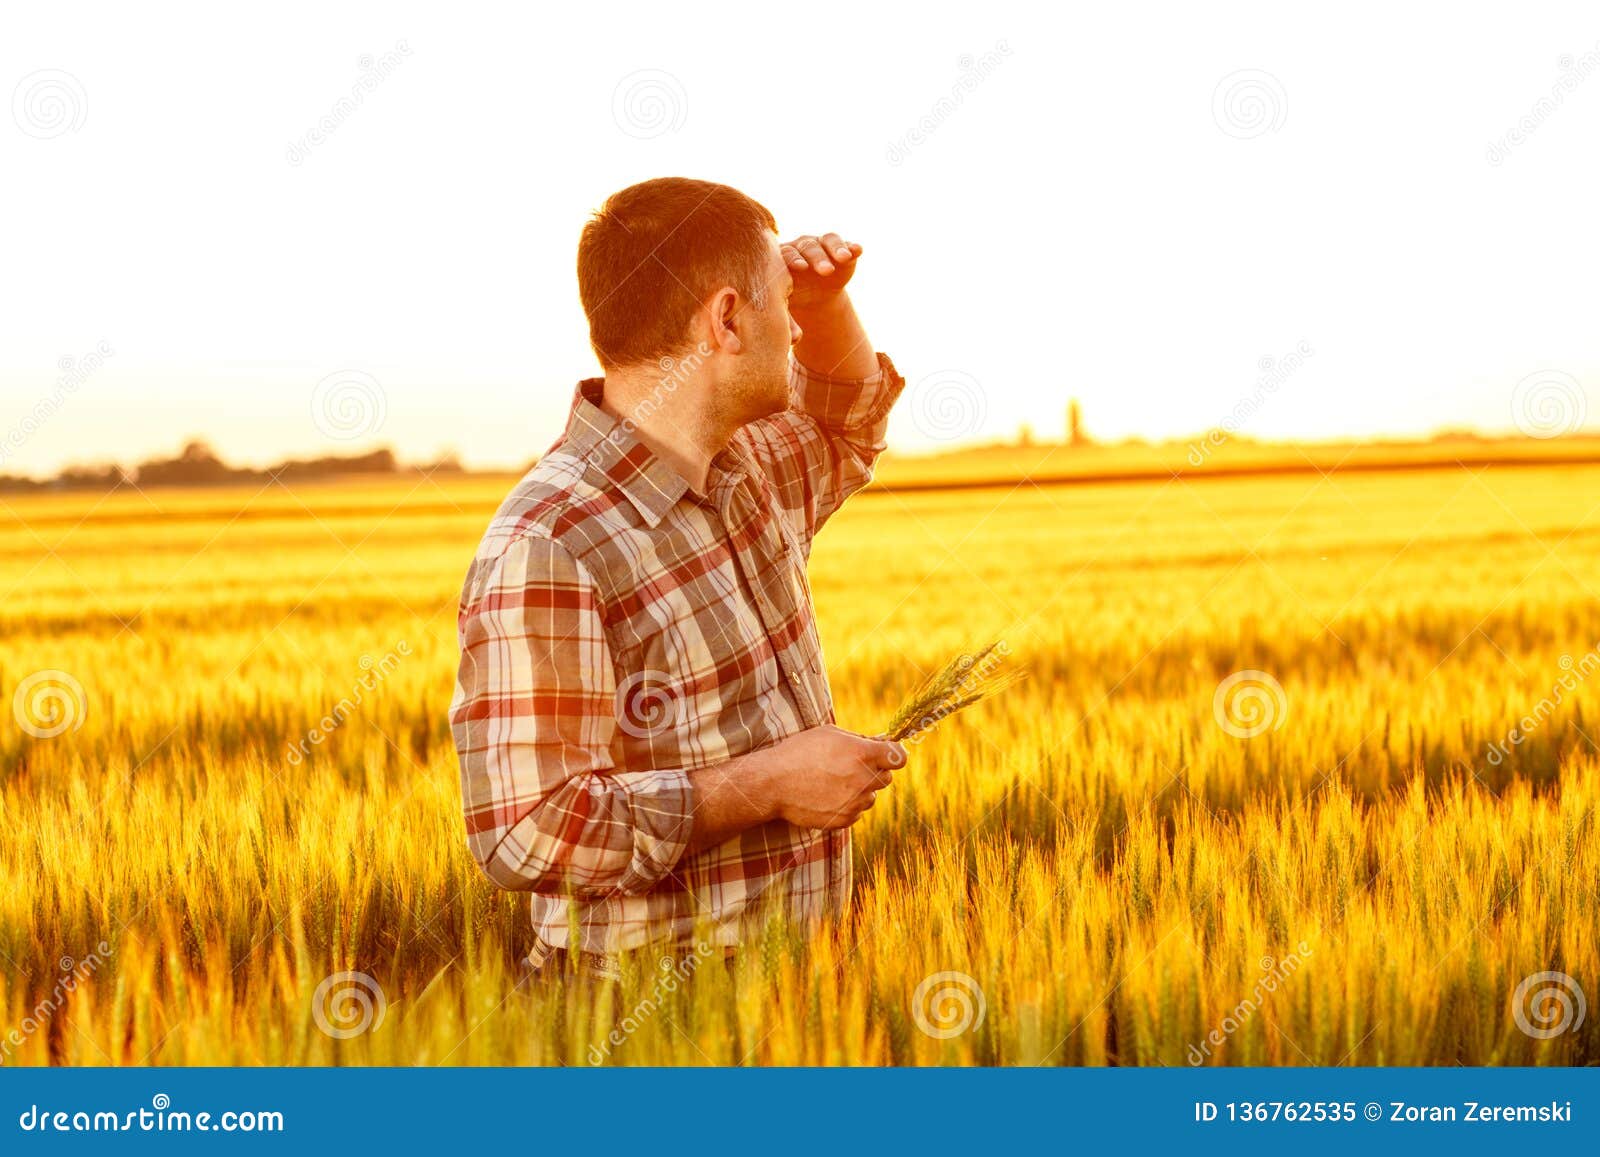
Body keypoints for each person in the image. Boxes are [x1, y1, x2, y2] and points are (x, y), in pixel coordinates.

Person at [449, 177, 908, 974]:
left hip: (799, 1009)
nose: (795, 333)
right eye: (783, 306)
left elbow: (851, 419)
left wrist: (828, 302)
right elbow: (526, 826)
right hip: (645, 1033)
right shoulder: (552, 539)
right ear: (727, 319)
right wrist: (765, 784)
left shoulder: (747, 469)